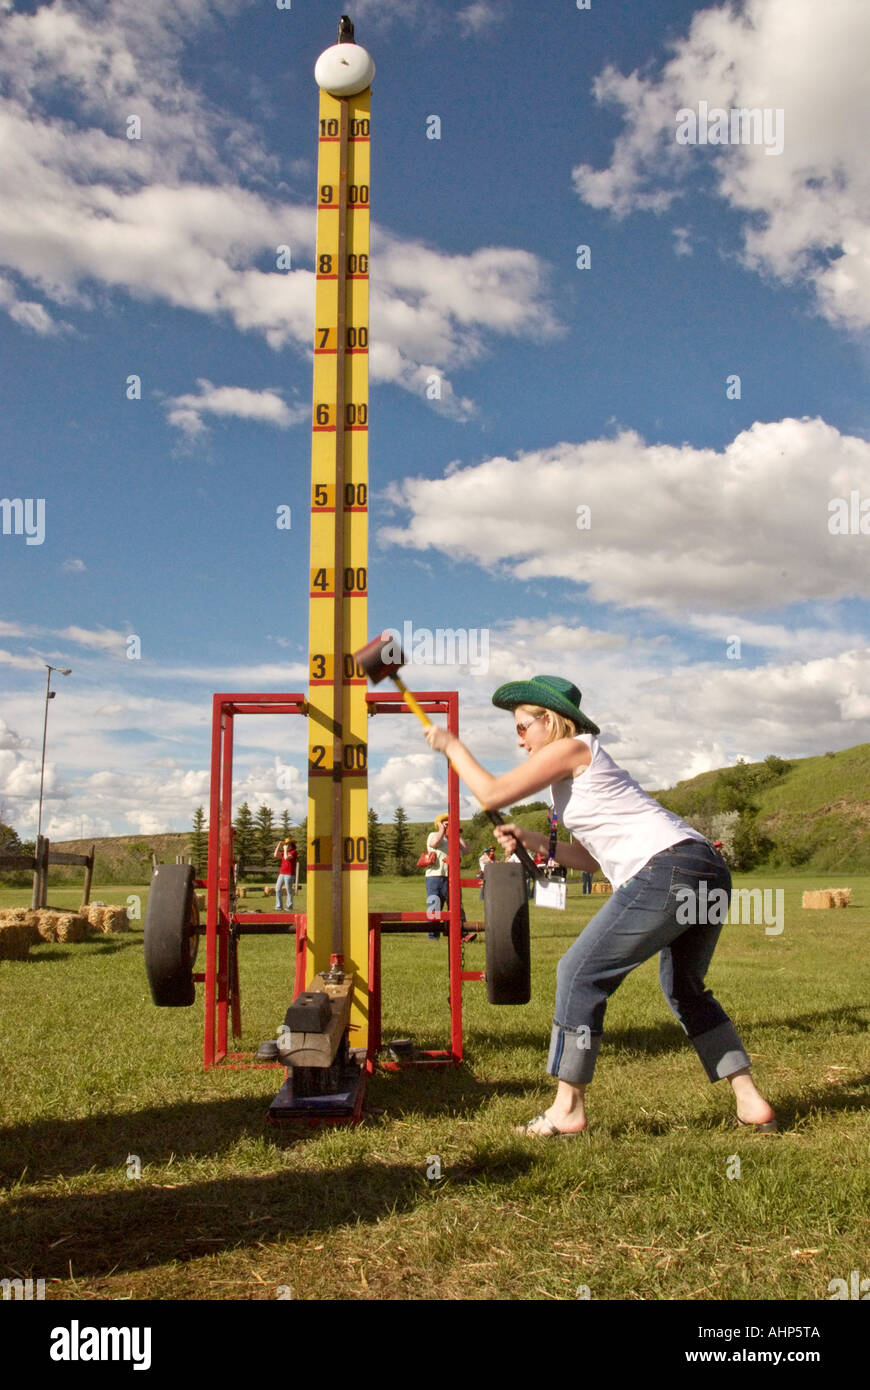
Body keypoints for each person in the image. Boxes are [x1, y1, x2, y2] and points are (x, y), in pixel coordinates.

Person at [422, 673, 776, 1138]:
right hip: (704, 868)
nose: (520, 740)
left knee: (578, 973)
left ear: (550, 720)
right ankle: (750, 1101)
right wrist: (532, 839)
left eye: (523, 727)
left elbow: (490, 793)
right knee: (686, 989)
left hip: (667, 869)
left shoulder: (574, 748)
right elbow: (593, 860)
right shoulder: (576, 773)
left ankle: (567, 1108)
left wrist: (451, 746)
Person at [423, 813, 469, 941]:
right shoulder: (434, 835)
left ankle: (462, 934)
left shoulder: (455, 840)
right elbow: (434, 843)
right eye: (446, 823)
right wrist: (442, 830)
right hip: (435, 877)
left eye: (451, 823)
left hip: (452, 877)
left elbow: (466, 850)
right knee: (434, 905)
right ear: (439, 824)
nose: (449, 825)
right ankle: (433, 936)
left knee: (456, 906)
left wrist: (457, 835)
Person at [273, 838, 297, 911]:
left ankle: (289, 907)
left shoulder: (294, 852)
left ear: (292, 845)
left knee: (289, 890)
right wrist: (278, 845)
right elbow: (275, 855)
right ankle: (278, 906)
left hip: (289, 874)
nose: (286, 846)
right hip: (282, 873)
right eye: (286, 844)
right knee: (277, 889)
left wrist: (285, 850)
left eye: (288, 845)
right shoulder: (285, 852)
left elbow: (286, 858)